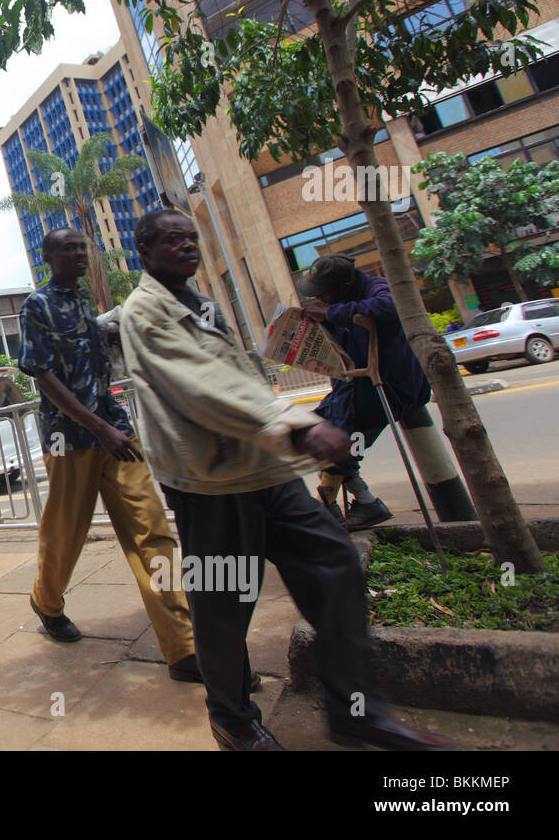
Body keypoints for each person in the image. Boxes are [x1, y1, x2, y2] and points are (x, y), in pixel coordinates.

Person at [118, 207, 453, 750]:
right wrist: (290, 423)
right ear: (145, 252)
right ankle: (232, 718)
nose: (187, 247)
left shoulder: (201, 303)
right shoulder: (142, 313)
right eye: (172, 240)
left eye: (191, 237)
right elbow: (197, 384)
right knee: (225, 605)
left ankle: (355, 711)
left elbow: (235, 372)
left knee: (335, 563)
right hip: (210, 482)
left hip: (266, 468)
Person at [16, 228, 198, 681]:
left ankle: (184, 649)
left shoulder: (83, 303)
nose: (79, 254)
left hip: (116, 431)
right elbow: (42, 375)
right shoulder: (37, 306)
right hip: (71, 438)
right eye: (68, 248)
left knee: (151, 531)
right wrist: (95, 428)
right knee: (65, 534)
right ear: (49, 257)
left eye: (82, 247)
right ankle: (46, 600)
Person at [300, 254, 432, 530]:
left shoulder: (376, 288)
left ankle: (357, 503)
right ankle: (340, 504)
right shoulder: (335, 300)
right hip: (350, 388)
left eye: (325, 292)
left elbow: (388, 306)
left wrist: (330, 313)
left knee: (342, 442)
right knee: (310, 432)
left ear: (345, 284)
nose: (321, 298)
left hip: (386, 389)